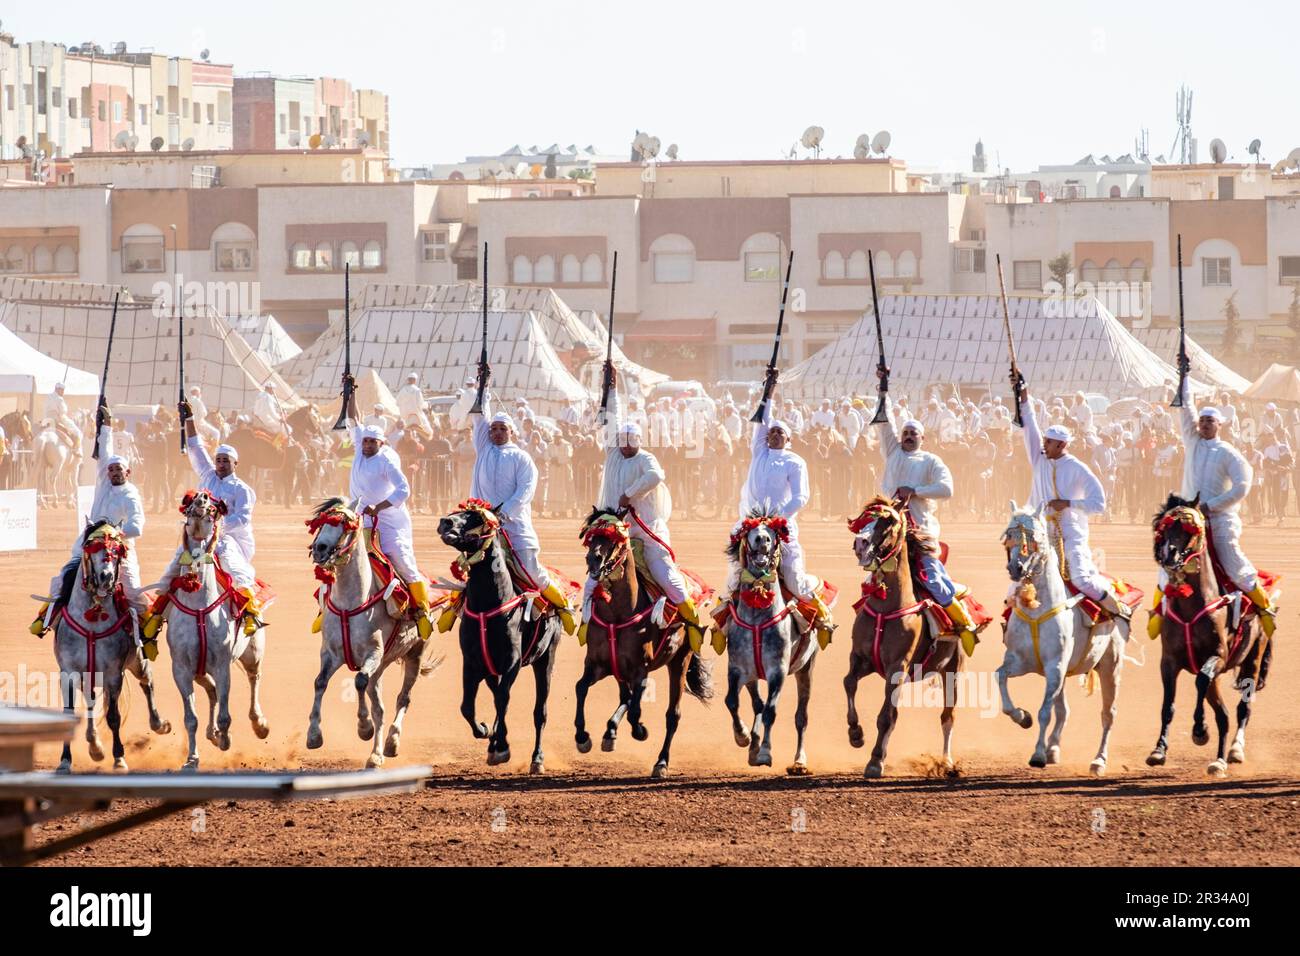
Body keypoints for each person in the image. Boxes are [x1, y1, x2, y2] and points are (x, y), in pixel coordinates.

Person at [1149, 378, 1275, 637]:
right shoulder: (1192, 442)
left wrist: (1210, 507)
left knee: (1233, 563)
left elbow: (1242, 487)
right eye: (1202, 421)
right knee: (1169, 564)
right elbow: (1186, 410)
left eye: (1210, 421)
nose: (1204, 424)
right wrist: (1183, 377)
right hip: (1187, 521)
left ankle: (1265, 607)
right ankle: (1158, 614)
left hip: (1220, 520)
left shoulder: (1229, 453)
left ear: (1220, 425)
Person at [719, 372, 833, 646]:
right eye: (771, 432)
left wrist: (776, 518)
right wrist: (768, 391)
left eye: (780, 432)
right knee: (734, 577)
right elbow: (761, 422)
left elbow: (801, 496)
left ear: (789, 438)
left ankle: (822, 612)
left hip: (782, 528)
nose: (773, 435)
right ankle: (723, 621)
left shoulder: (795, 462)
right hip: (749, 525)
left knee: (794, 579)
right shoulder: (759, 451)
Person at [584, 405, 705, 651]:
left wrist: (629, 494)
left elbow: (655, 475)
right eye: (622, 441)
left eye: (630, 442)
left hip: (647, 529)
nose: (625, 446)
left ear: (639, 441)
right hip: (616, 531)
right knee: (593, 577)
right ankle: (586, 624)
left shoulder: (646, 458)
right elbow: (611, 421)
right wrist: (612, 389)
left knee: (666, 576)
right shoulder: (614, 455)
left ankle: (693, 624)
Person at [1012, 374, 1131, 620]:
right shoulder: (1039, 459)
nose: (1043, 444)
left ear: (1062, 445)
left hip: (1072, 534)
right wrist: (1023, 393)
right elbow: (1030, 426)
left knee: (1082, 580)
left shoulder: (1078, 468)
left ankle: (1119, 612)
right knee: (1017, 584)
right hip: (1041, 536)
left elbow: (1099, 503)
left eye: (1049, 442)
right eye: (1044, 440)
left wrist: (1068, 504)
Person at [459, 387, 576, 633]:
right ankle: (456, 610)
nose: (497, 432)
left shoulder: (523, 459)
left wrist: (501, 514)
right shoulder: (484, 449)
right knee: (468, 571)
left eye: (503, 429)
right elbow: (479, 416)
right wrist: (485, 385)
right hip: (484, 530)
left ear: (512, 432)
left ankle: (563, 606)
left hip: (515, 527)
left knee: (530, 571)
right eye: (494, 429)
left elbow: (524, 493)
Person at [148, 399, 264, 639]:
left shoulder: (242, 489)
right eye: (219, 460)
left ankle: (250, 613)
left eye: (226, 461)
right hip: (199, 537)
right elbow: (195, 448)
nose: (221, 464)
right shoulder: (208, 476)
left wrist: (218, 525)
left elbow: (242, 519)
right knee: (173, 567)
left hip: (228, 540)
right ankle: (155, 617)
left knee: (234, 568)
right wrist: (188, 420)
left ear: (235, 464)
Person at [31, 405, 149, 640]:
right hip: (87, 546)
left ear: (128, 472)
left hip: (119, 551)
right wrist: (106, 425)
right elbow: (105, 452)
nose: (114, 472)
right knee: (62, 579)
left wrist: (115, 535)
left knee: (134, 592)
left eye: (119, 470)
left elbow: (137, 526)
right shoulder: (104, 483)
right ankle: (49, 619)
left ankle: (144, 636)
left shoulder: (131, 494)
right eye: (112, 469)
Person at [872, 370, 975, 639]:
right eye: (905, 432)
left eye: (913, 433)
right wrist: (883, 389)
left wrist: (914, 491)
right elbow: (886, 422)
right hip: (891, 531)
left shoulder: (931, 461)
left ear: (922, 438)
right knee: (872, 575)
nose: (907, 436)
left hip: (922, 533)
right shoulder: (892, 452)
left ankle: (961, 624)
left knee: (933, 580)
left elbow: (947, 489)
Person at [340, 377, 436, 639]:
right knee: (337, 558)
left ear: (381, 444)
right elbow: (354, 420)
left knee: (402, 561)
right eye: (366, 442)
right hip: (361, 519)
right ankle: (329, 612)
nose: (367, 445)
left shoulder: (387, 461)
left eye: (372, 442)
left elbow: (403, 490)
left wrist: (378, 507)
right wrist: (350, 394)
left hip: (390, 522)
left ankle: (423, 610)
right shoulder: (360, 447)